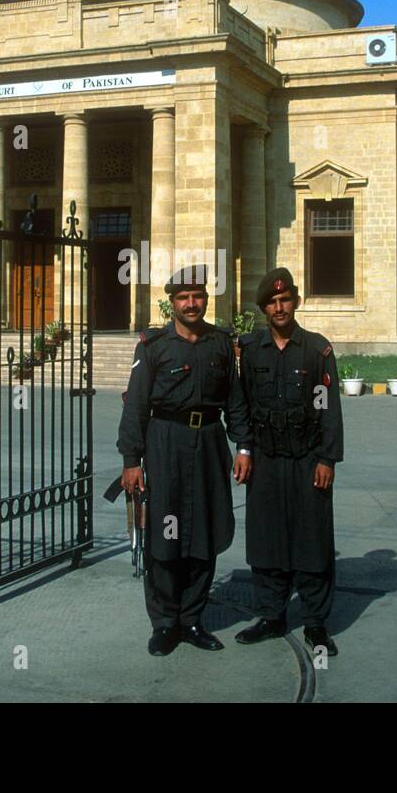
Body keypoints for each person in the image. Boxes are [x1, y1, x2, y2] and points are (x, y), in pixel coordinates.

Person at [116, 267, 252, 656]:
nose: (191, 303)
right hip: (164, 445)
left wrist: (244, 447)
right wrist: (131, 460)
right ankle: (164, 623)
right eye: (183, 297)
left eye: (197, 295)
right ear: (172, 303)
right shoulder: (153, 346)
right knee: (164, 535)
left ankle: (192, 619)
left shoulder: (221, 344)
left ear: (206, 299)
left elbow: (236, 402)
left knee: (204, 533)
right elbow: (137, 407)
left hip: (209, 443)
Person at [234, 267, 344, 656]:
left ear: (295, 302)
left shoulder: (316, 350)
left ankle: (315, 623)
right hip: (264, 461)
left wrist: (327, 459)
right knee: (266, 541)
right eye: (272, 302)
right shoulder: (249, 351)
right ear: (264, 308)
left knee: (312, 541)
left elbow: (328, 409)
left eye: (285, 300)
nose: (279, 307)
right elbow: (241, 406)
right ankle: (271, 615)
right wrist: (244, 449)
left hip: (306, 460)